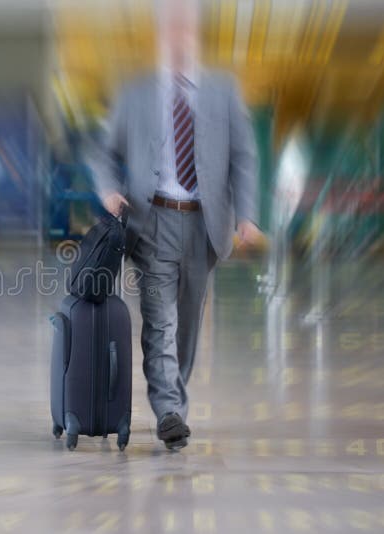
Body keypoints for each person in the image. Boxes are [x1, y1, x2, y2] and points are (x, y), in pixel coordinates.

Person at [88, 0, 264, 450]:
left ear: (196, 32)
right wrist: (109, 191)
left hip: (205, 225)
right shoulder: (137, 92)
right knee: (159, 321)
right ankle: (169, 410)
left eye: (186, 25)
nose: (179, 33)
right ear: (161, 34)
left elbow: (243, 157)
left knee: (186, 325)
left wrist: (246, 217)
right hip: (152, 220)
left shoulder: (223, 91)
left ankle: (174, 396)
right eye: (171, 26)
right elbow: (104, 153)